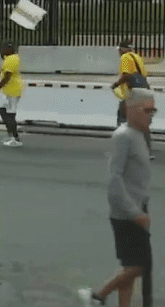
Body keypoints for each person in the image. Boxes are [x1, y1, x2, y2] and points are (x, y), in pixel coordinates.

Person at [78, 88, 155, 307]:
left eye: (153, 110)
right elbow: (114, 180)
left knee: (131, 267)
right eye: (147, 110)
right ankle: (97, 297)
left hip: (137, 210)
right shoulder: (123, 137)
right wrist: (135, 213)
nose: (151, 115)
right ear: (130, 110)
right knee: (138, 267)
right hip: (127, 214)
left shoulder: (139, 134)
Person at [112, 39, 152, 156]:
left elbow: (126, 75)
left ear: (122, 49)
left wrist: (116, 84)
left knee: (123, 120)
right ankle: (146, 151)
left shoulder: (125, 58)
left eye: (119, 49)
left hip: (132, 95)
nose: (119, 52)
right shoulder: (137, 58)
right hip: (143, 93)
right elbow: (143, 76)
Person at [0, 41, 23, 147]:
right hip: (11, 90)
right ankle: (11, 134)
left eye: (4, 49)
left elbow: (6, 78)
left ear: (9, 50)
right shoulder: (12, 58)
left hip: (12, 91)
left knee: (10, 115)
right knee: (4, 111)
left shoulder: (11, 60)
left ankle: (15, 138)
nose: (2, 51)